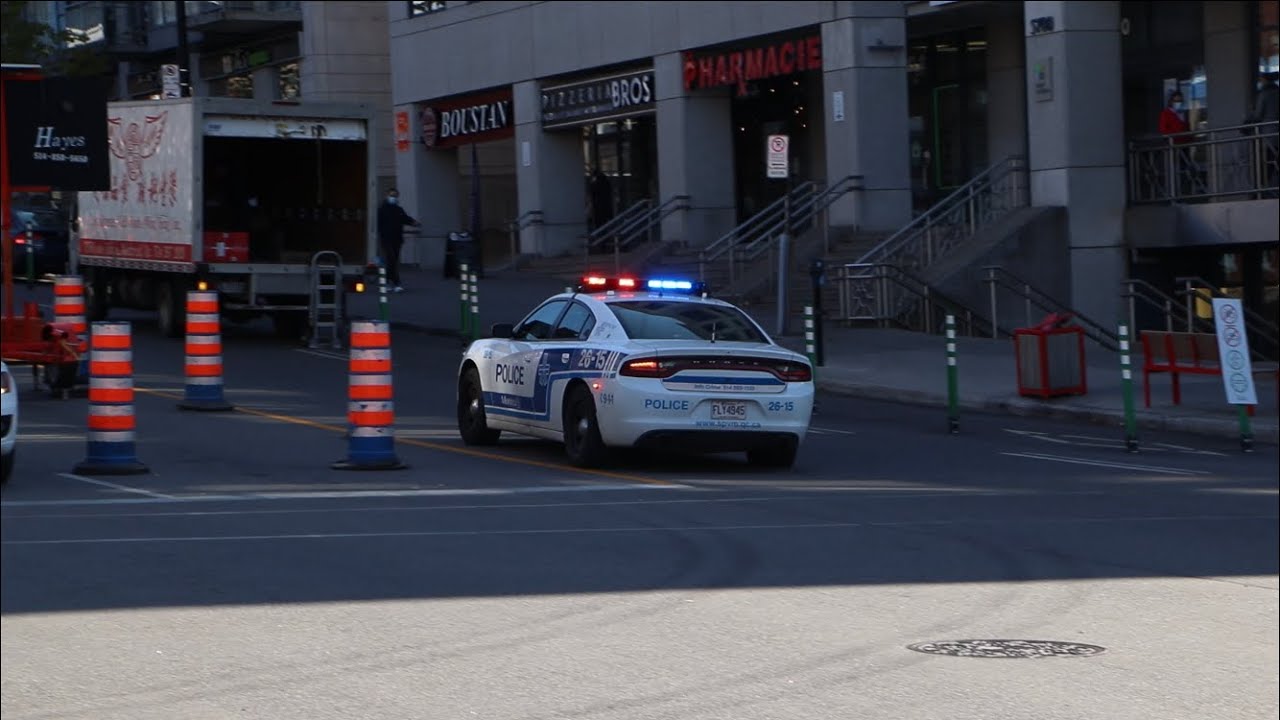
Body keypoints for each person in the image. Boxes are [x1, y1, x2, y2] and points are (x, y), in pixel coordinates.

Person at [376, 188, 420, 292]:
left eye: (395, 196)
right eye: (391, 195)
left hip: (397, 239)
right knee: (391, 259)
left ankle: (388, 282)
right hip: (386, 239)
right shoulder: (382, 209)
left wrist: (414, 223)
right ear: (387, 196)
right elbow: (378, 224)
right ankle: (396, 282)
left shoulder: (398, 209)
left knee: (393, 260)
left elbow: (405, 218)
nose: (393, 198)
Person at [1245, 72, 1279, 193]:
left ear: (1265, 80)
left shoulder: (1264, 94)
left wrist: (1248, 120)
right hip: (1276, 133)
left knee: (1267, 163)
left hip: (1268, 133)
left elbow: (1258, 115)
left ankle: (1262, 190)